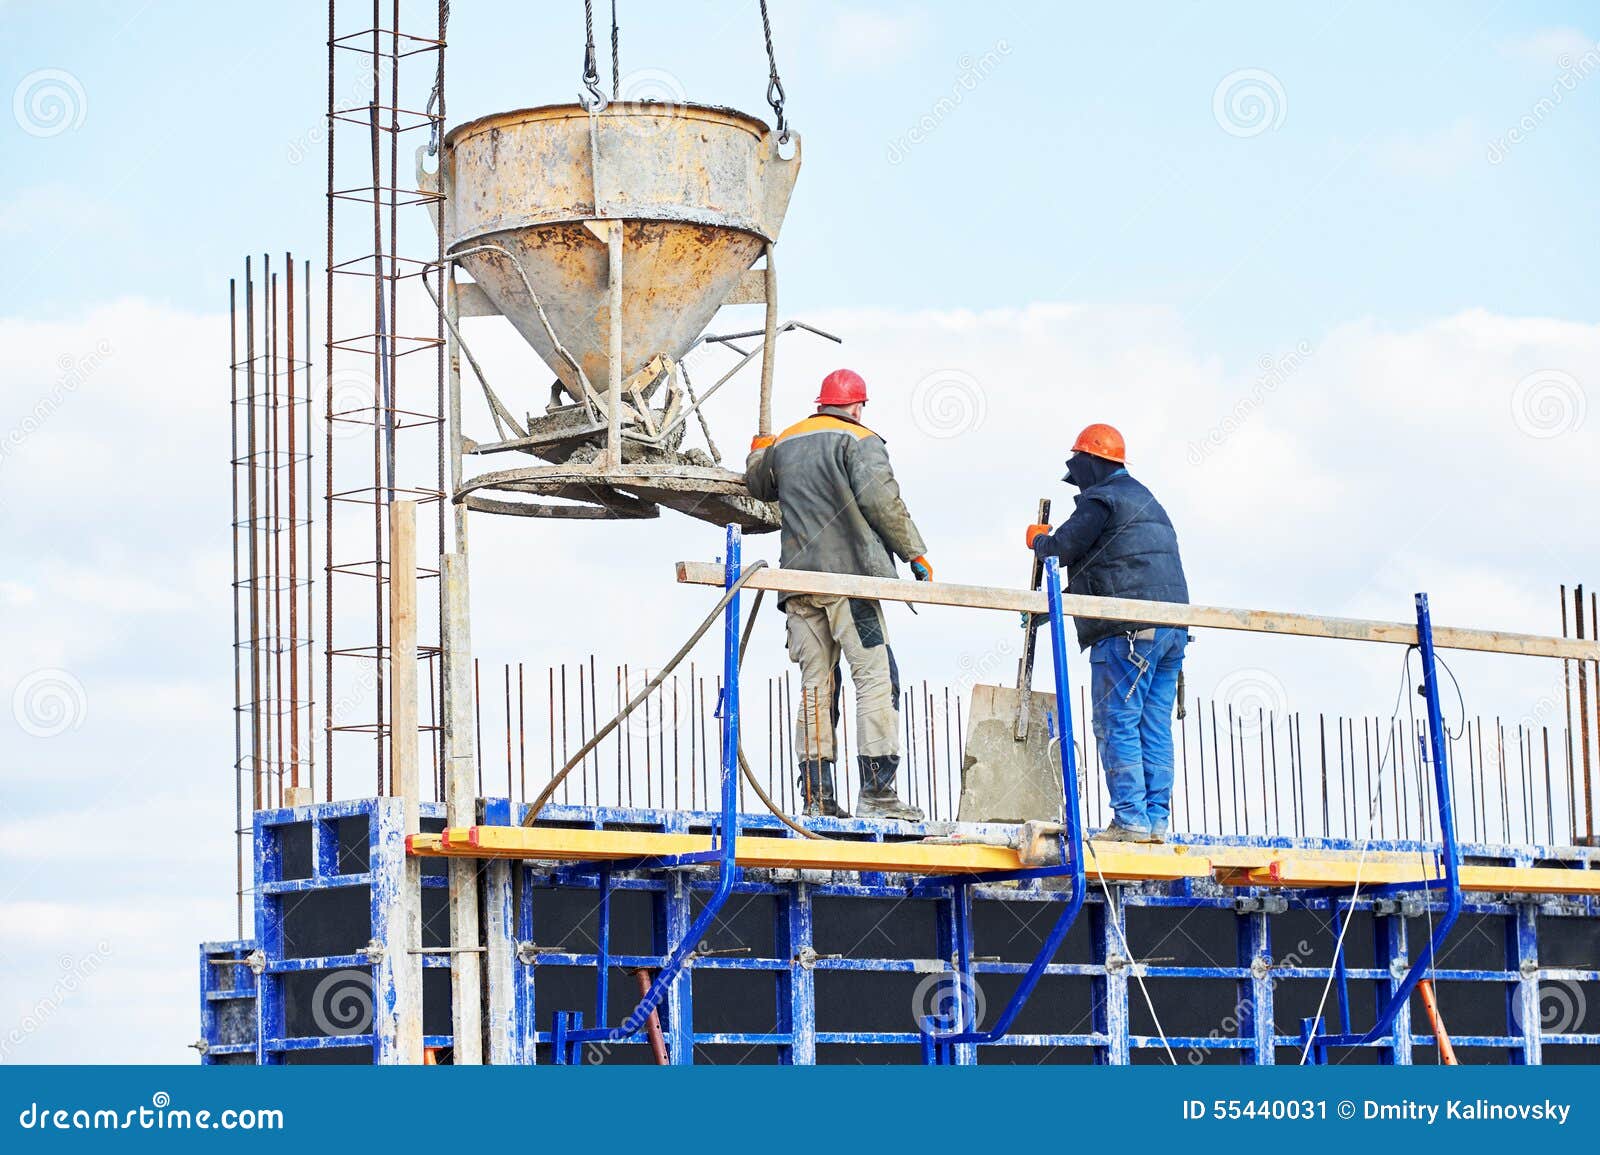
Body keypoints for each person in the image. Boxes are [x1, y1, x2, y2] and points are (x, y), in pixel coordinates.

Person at [746, 368, 933, 821]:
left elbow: (757, 486)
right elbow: (882, 502)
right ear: (856, 406)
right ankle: (879, 795)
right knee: (875, 679)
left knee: (815, 686)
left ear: (820, 402)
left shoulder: (786, 441)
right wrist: (915, 553)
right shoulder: (860, 440)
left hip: (798, 588)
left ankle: (817, 797)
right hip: (849, 582)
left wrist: (757, 453)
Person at [1025, 423, 1189, 842]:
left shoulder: (1101, 500)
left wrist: (1040, 541)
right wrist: (1046, 613)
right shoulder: (1146, 500)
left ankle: (1130, 820)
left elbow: (1063, 549)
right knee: (1153, 724)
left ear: (1091, 462)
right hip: (1170, 630)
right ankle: (1154, 822)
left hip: (1127, 632)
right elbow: (1118, 566)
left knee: (1117, 721)